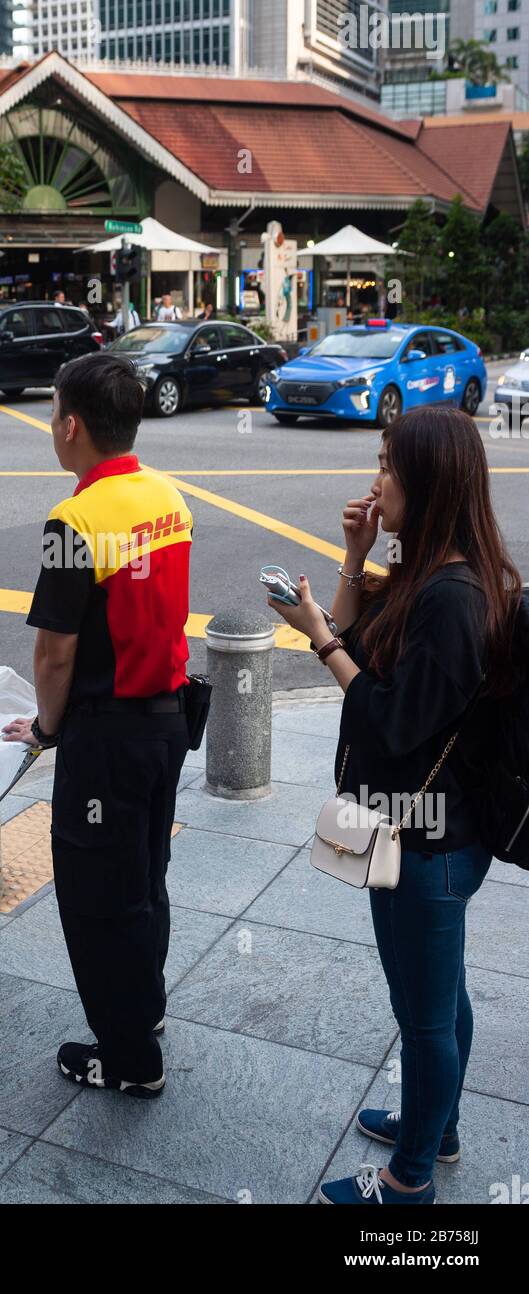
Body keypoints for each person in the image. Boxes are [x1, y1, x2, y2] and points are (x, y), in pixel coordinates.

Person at [267, 406, 523, 1206]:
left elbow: (385, 718)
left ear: (427, 482)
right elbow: (353, 631)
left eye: (386, 465)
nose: (375, 480)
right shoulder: (426, 572)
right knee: (438, 994)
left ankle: (409, 1180)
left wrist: (318, 639)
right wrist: (350, 560)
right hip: (410, 829)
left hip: (429, 841)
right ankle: (434, 1126)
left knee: (423, 1012)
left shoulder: (451, 597)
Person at [2, 353, 193, 1099]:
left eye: (53, 413)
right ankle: (143, 1011)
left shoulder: (72, 521)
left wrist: (46, 730)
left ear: (71, 425)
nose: (52, 426)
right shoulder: (167, 495)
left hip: (106, 736)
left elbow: (54, 653)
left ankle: (129, 1060)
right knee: (144, 874)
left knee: (94, 894)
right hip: (168, 722)